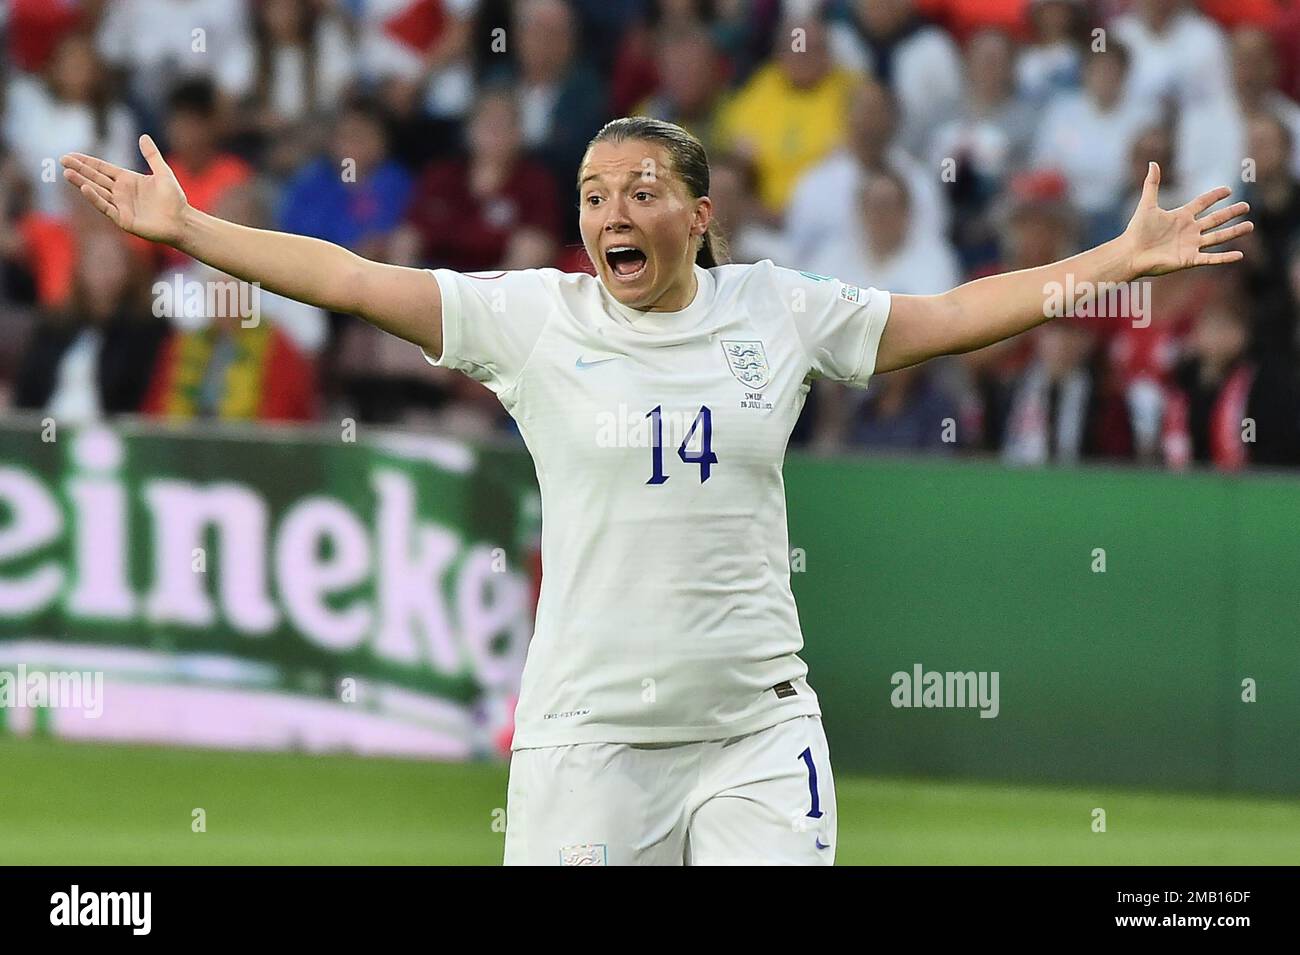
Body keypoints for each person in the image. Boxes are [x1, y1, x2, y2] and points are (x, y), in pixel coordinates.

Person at [60, 115, 1251, 865]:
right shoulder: (531, 318)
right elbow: (357, 281)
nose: (608, 214)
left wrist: (1112, 264)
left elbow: (946, 316)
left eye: (637, 190)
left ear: (697, 212)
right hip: (589, 739)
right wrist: (197, 232)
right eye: (590, 193)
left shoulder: (776, 308)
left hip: (754, 729)